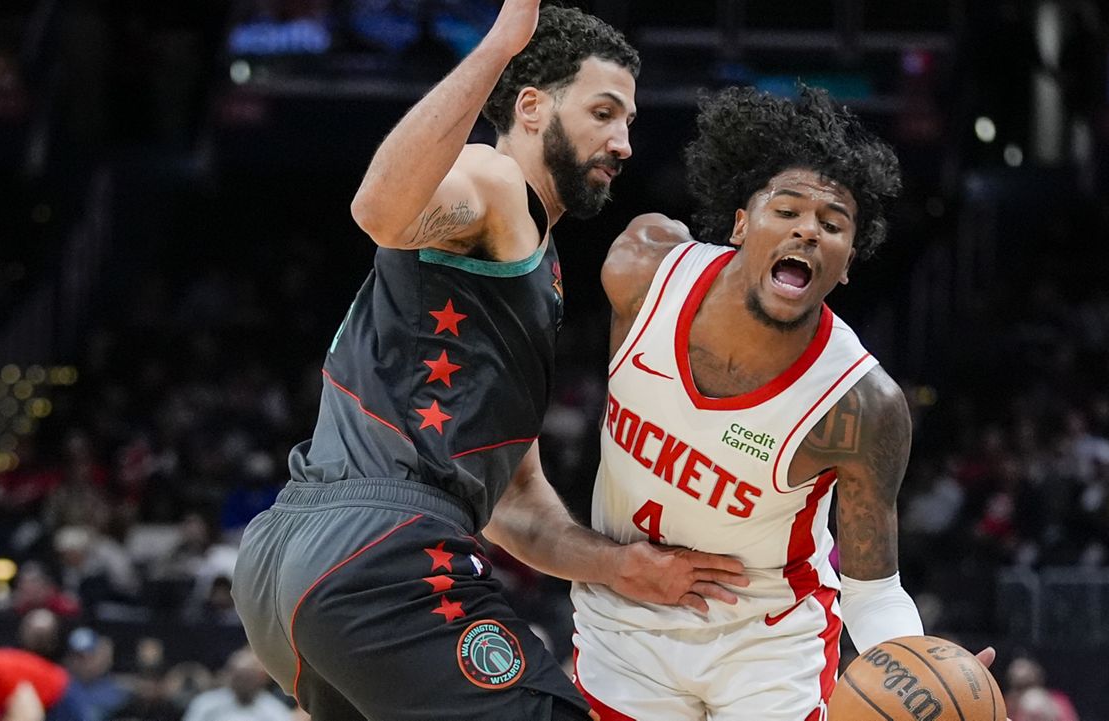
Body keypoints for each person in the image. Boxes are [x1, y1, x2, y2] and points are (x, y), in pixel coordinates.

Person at [231, 3, 747, 721]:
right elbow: (380, 209)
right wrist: (502, 44)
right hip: (377, 549)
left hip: (289, 565)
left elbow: (512, 508)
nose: (623, 142)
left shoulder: (526, 275)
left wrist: (622, 565)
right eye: (603, 112)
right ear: (531, 108)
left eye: (627, 120)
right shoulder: (497, 184)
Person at [571, 85, 939, 720]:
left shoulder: (860, 403)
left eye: (832, 225)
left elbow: (874, 593)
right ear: (741, 223)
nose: (807, 229)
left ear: (847, 262)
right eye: (787, 209)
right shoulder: (642, 271)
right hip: (624, 624)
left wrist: (922, 674)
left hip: (769, 647)